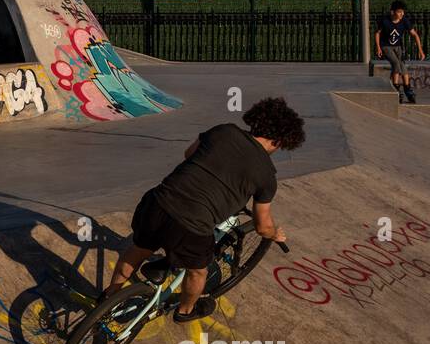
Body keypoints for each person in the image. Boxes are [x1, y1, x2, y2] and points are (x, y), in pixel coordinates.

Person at [102, 97, 306, 322]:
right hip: (191, 226)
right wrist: (274, 233)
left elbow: (189, 154)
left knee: (140, 249)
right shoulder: (267, 175)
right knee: (198, 271)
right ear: (279, 141)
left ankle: (109, 296)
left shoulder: (224, 131)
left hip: (157, 202)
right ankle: (185, 311)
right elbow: (262, 226)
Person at [376, 0, 425, 103]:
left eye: (403, 12)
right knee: (396, 63)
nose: (402, 14)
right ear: (392, 12)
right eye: (399, 12)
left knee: (403, 66)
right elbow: (377, 33)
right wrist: (378, 48)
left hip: (398, 47)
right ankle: (396, 88)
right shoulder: (385, 21)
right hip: (386, 46)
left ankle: (407, 89)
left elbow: (415, 35)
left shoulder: (405, 21)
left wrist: (420, 50)